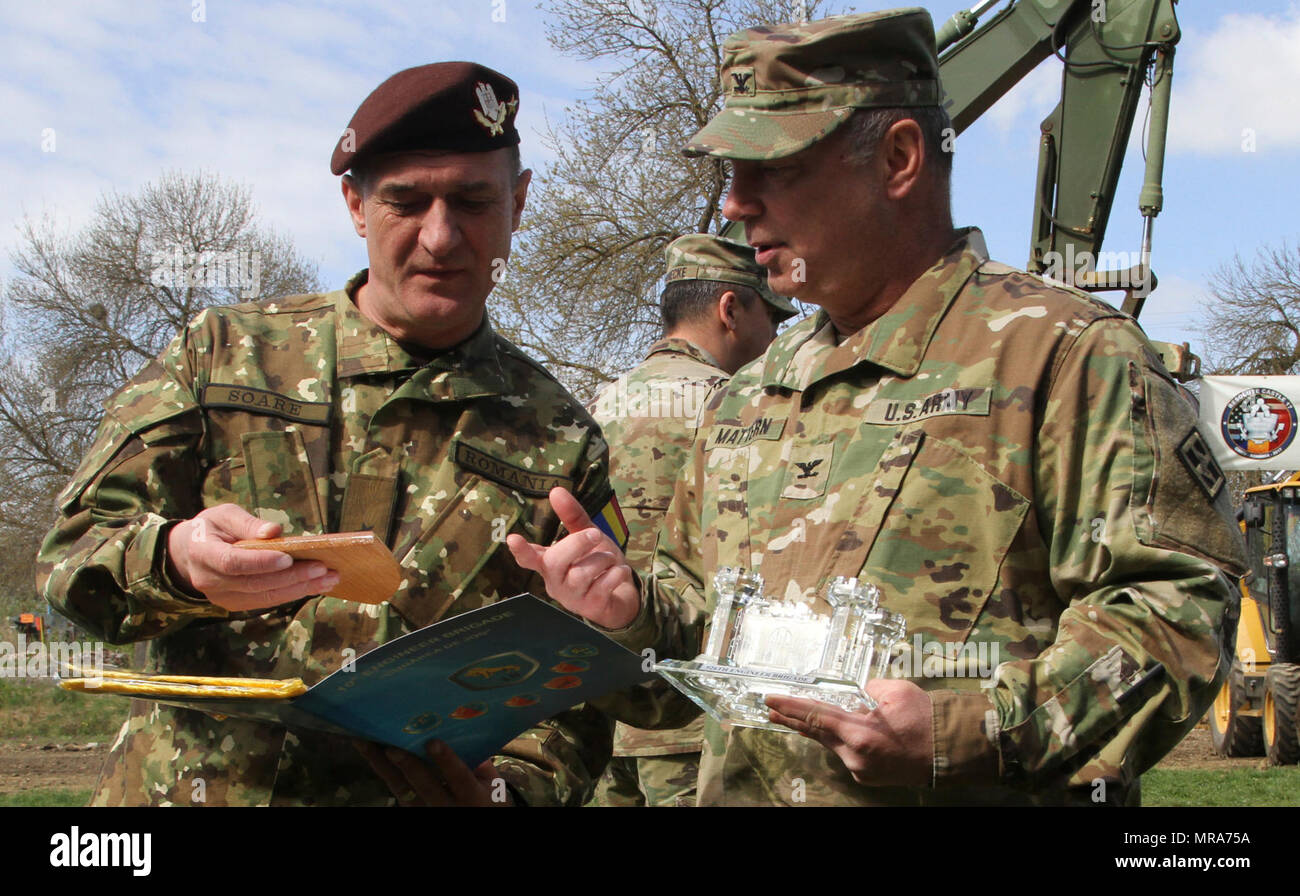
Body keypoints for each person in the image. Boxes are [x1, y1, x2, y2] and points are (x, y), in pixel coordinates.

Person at [510, 9, 1249, 806]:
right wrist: (628, 615)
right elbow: (694, 658)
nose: (736, 202)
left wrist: (972, 733)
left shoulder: (1068, 358)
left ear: (898, 157)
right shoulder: (750, 393)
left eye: (774, 168)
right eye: (730, 170)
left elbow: (1177, 615)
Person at [36, 62, 620, 807]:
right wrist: (178, 561)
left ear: (519, 201)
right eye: (405, 202)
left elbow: (575, 686)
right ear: (354, 203)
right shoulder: (222, 356)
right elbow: (69, 572)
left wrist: (508, 794)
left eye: (473, 201)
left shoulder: (562, 438)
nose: (440, 238)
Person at [589, 234, 794, 806]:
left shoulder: (593, 404)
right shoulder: (738, 408)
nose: (774, 337)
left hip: (601, 705)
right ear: (731, 309)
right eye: (771, 317)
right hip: (691, 713)